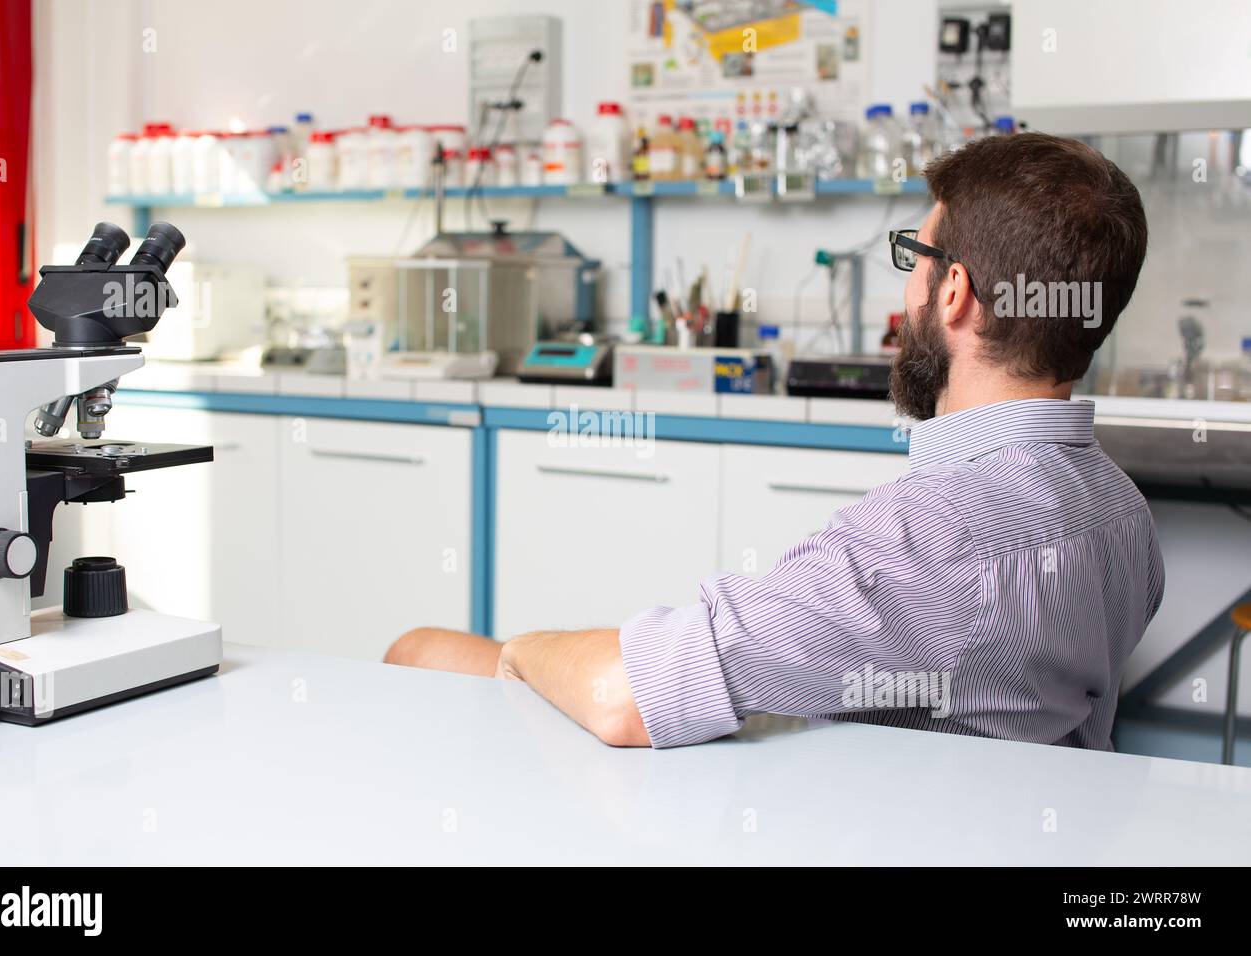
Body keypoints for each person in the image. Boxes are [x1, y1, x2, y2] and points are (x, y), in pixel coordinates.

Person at [385, 132, 1163, 750]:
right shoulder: (1123, 515)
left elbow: (627, 698)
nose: (908, 287)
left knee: (419, 651)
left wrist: (517, 650)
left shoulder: (925, 542)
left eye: (915, 259)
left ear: (953, 293)